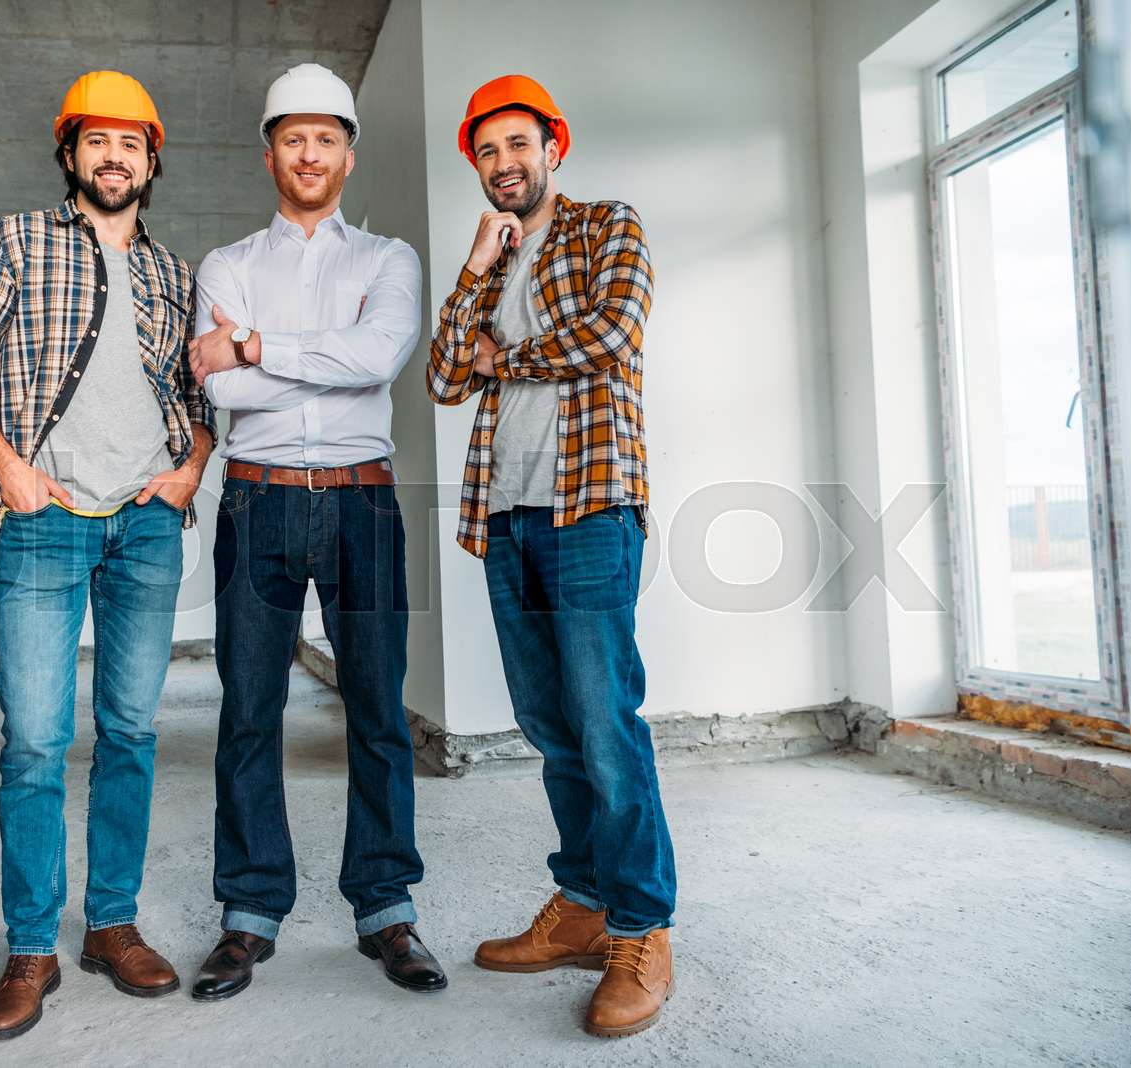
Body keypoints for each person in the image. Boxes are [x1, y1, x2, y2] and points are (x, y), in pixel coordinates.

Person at [0, 70, 214, 1040]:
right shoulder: (15, 241)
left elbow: (201, 400)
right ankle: (32, 947)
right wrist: (8, 464)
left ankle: (113, 924)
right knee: (36, 743)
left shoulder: (175, 275)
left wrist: (190, 470)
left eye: (131, 142)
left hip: (144, 524)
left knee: (130, 734)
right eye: (97, 140)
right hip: (44, 519)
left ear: (152, 158)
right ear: (70, 152)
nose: (114, 156)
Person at [183, 62, 444, 1001]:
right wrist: (311, 368)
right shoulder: (227, 265)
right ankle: (249, 916)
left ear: (347, 151)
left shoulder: (388, 260)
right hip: (256, 500)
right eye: (292, 137)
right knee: (249, 710)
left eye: (325, 137)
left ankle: (386, 912)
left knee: (378, 708)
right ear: (270, 153)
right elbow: (220, 389)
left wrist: (254, 345)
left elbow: (378, 358)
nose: (309, 152)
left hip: (361, 499)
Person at [425, 74, 677, 1038]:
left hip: (590, 505)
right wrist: (478, 270)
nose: (503, 165)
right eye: (487, 153)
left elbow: (612, 331)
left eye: (517, 146)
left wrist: (507, 357)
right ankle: (582, 906)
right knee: (548, 721)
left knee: (607, 722)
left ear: (552, 148)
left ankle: (644, 927)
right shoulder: (494, 257)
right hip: (510, 517)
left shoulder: (608, 224)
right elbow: (450, 375)